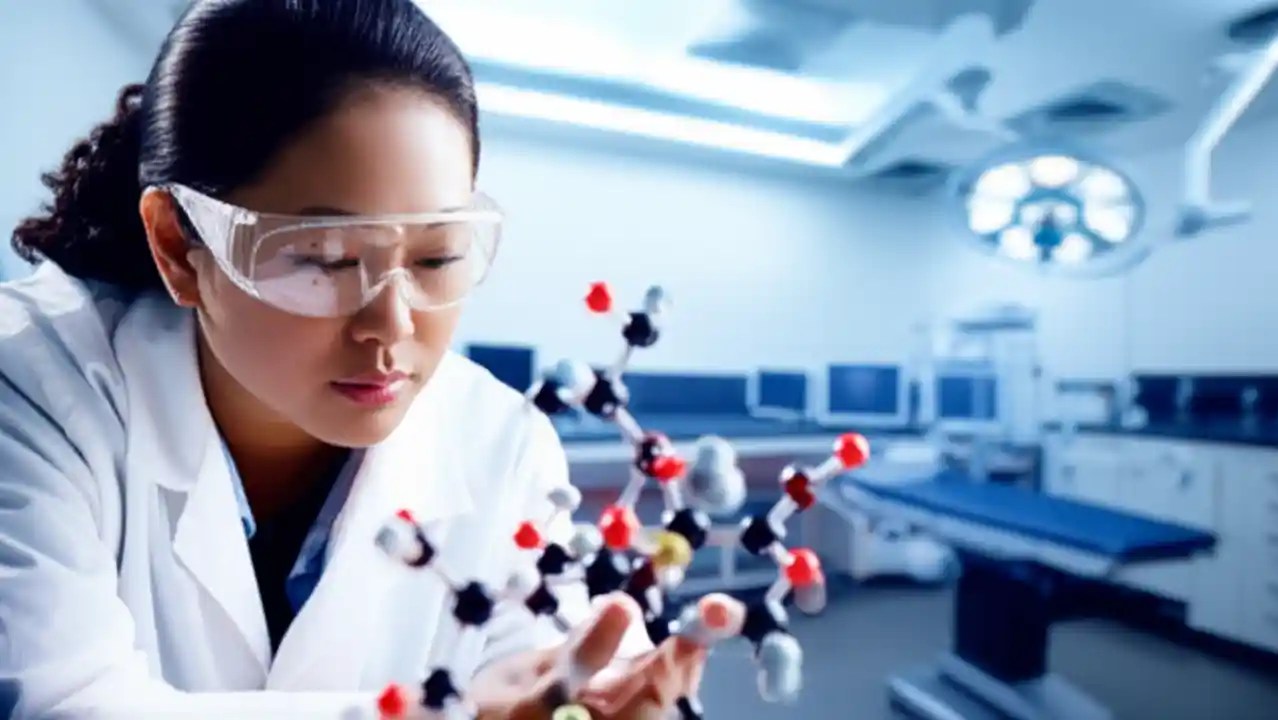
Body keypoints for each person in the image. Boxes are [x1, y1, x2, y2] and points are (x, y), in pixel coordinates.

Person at [0, 1, 730, 718]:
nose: (392, 324)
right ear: (177, 246)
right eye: (322, 259)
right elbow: (60, 703)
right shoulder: (30, 380)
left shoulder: (500, 441)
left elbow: (530, 655)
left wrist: (587, 691)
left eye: (438, 255)